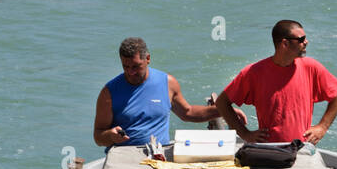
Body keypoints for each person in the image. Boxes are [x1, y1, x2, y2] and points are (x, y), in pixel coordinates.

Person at [93, 37, 241, 147]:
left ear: (148, 59)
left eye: (136, 66)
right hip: (125, 157)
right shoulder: (109, 93)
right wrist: (111, 136)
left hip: (159, 155)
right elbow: (98, 136)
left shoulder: (167, 83)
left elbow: (188, 113)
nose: (131, 72)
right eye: (126, 67)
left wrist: (224, 111)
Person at [216, 20, 337, 144]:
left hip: (301, 149)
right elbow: (222, 102)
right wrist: (245, 134)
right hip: (268, 150)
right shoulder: (254, 72)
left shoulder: (311, 67)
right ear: (285, 44)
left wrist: (323, 127)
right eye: (301, 39)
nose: (306, 42)